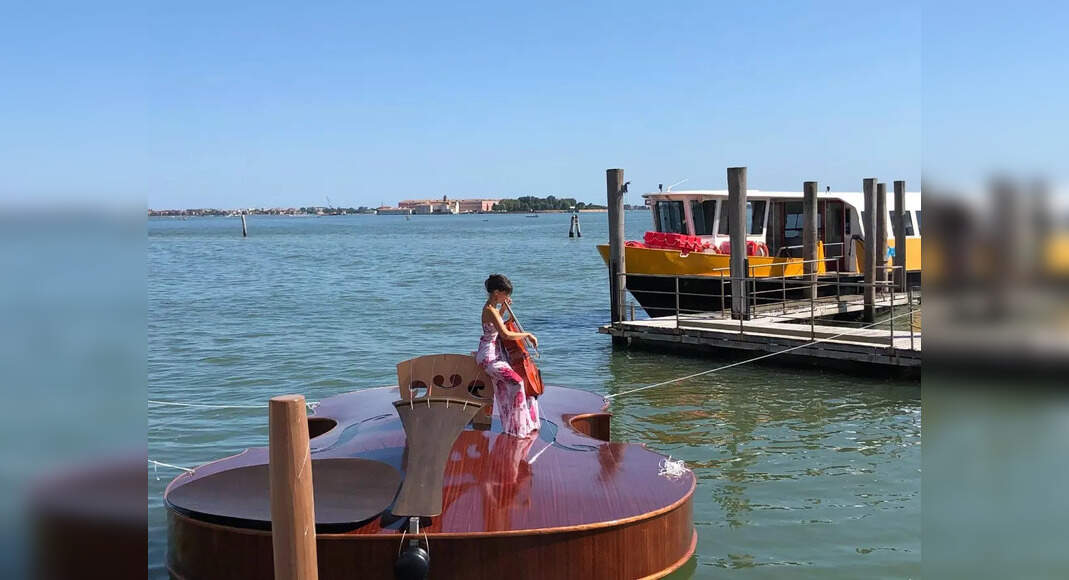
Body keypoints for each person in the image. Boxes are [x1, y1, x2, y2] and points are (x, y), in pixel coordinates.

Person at [476, 274, 540, 438]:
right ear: (497, 293)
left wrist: (504, 310)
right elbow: (505, 335)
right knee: (517, 382)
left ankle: (512, 427)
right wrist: (528, 334)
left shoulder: (492, 309)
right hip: (489, 358)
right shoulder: (490, 310)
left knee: (504, 390)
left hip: (492, 354)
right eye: (506, 293)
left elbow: (497, 325)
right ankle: (518, 428)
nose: (508, 297)